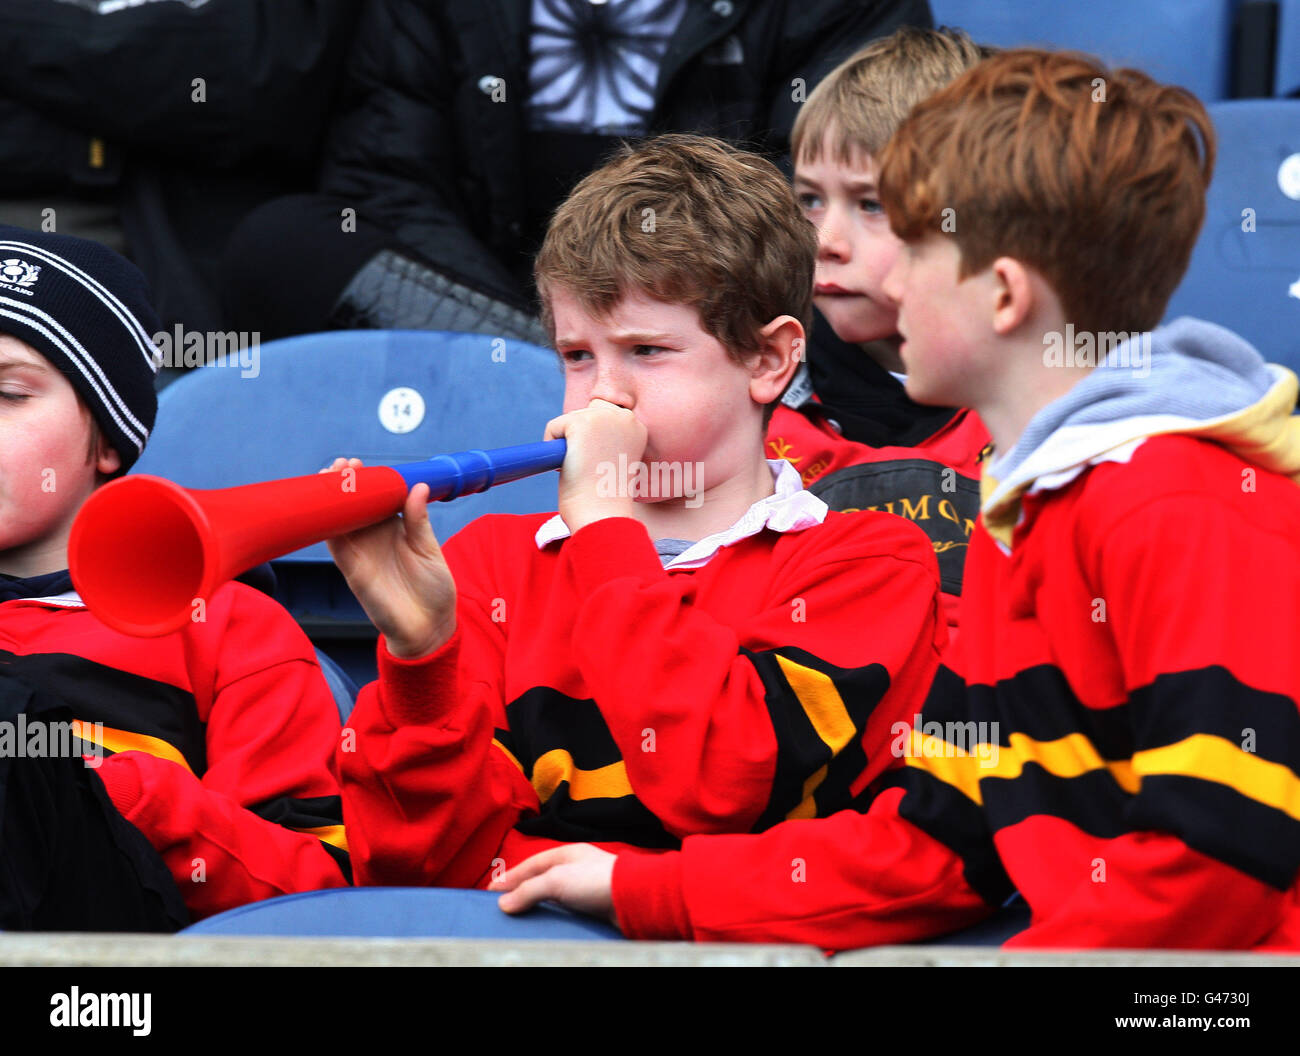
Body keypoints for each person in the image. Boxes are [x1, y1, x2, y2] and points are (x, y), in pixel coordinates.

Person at [491, 50, 1300, 952]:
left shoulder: (1183, 503)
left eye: (912, 246)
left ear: (1003, 295)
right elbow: (939, 853)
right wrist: (646, 884)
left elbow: (1221, 858)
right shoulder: (1024, 513)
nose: (875, 275)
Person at [330, 134, 947, 898]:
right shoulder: (492, 563)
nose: (602, 396)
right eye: (577, 355)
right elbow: (413, 872)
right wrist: (422, 663)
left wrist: (604, 533)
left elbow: (720, 787)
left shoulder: (869, 562)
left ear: (768, 362)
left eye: (647, 351)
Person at [0, 225, 350, 929]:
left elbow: (316, 894)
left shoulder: (227, 626)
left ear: (106, 437)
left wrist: (128, 794)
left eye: (9, 393)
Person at [219, 0, 935, 343]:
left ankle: (636, 369)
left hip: (719, 313)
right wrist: (560, 336)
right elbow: (387, 180)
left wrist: (663, 315)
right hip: (495, 310)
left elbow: (831, 186)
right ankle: (570, 373)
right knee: (284, 242)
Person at [769, 26, 993, 630]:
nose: (826, 242)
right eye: (810, 200)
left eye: (872, 205)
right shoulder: (752, 394)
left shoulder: (1039, 409)